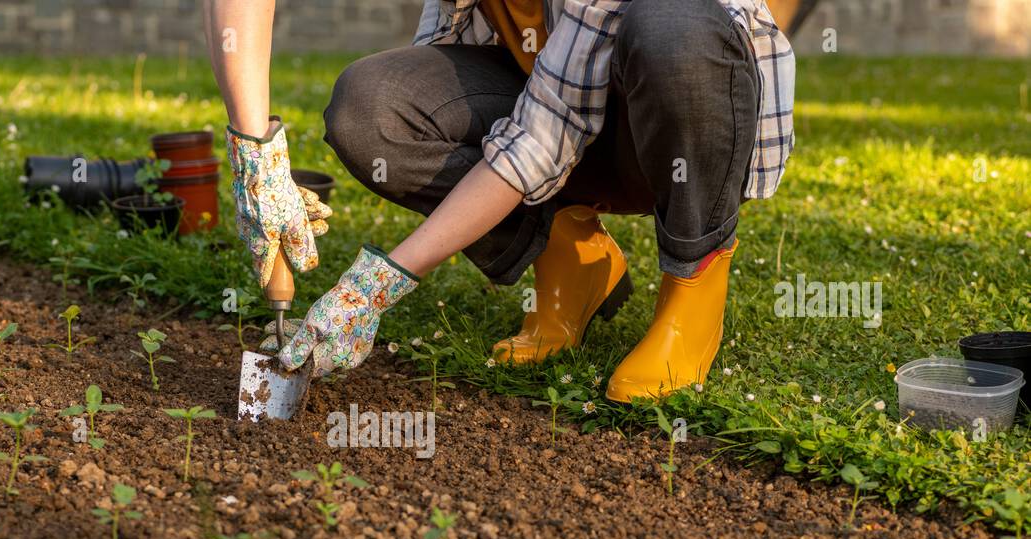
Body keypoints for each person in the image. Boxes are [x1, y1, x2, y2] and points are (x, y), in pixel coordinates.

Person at [205, 0, 795, 403]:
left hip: (665, 116)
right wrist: (253, 150)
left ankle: (694, 286)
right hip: (548, 93)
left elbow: (545, 135)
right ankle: (573, 258)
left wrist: (377, 285)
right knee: (373, 110)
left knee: (674, 28)